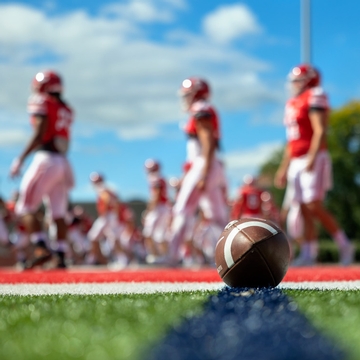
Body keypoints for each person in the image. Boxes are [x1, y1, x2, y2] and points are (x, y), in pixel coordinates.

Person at [274, 64, 354, 266]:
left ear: (308, 80)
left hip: (313, 156)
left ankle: (344, 244)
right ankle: (310, 252)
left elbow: (319, 130)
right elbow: (291, 142)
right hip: (297, 159)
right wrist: (284, 168)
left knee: (313, 205)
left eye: (297, 80)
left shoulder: (314, 96)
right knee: (302, 207)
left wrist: (311, 156)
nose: (293, 85)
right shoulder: (292, 103)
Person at [154, 77, 228, 266]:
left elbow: (207, 141)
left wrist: (202, 172)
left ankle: (172, 255)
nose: (185, 99)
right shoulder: (205, 109)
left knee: (182, 209)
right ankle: (229, 255)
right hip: (210, 164)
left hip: (204, 163)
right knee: (217, 215)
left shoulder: (200, 109)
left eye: (187, 94)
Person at [9, 70, 74, 269]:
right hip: (62, 162)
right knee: (58, 212)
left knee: (24, 207)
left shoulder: (42, 101)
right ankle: (61, 254)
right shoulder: (66, 108)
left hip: (46, 159)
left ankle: (40, 248)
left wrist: (20, 159)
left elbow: (40, 133)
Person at [86, 172, 124, 265]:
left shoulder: (103, 189)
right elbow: (116, 203)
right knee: (112, 238)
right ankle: (120, 259)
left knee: (93, 236)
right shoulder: (108, 189)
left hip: (107, 216)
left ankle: (92, 259)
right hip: (110, 216)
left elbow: (107, 199)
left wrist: (104, 212)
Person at [142, 159, 171, 262]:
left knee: (148, 233)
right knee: (160, 235)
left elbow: (156, 196)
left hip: (159, 208)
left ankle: (155, 256)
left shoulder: (156, 180)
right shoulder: (161, 179)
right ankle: (164, 256)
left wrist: (148, 210)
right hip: (164, 208)